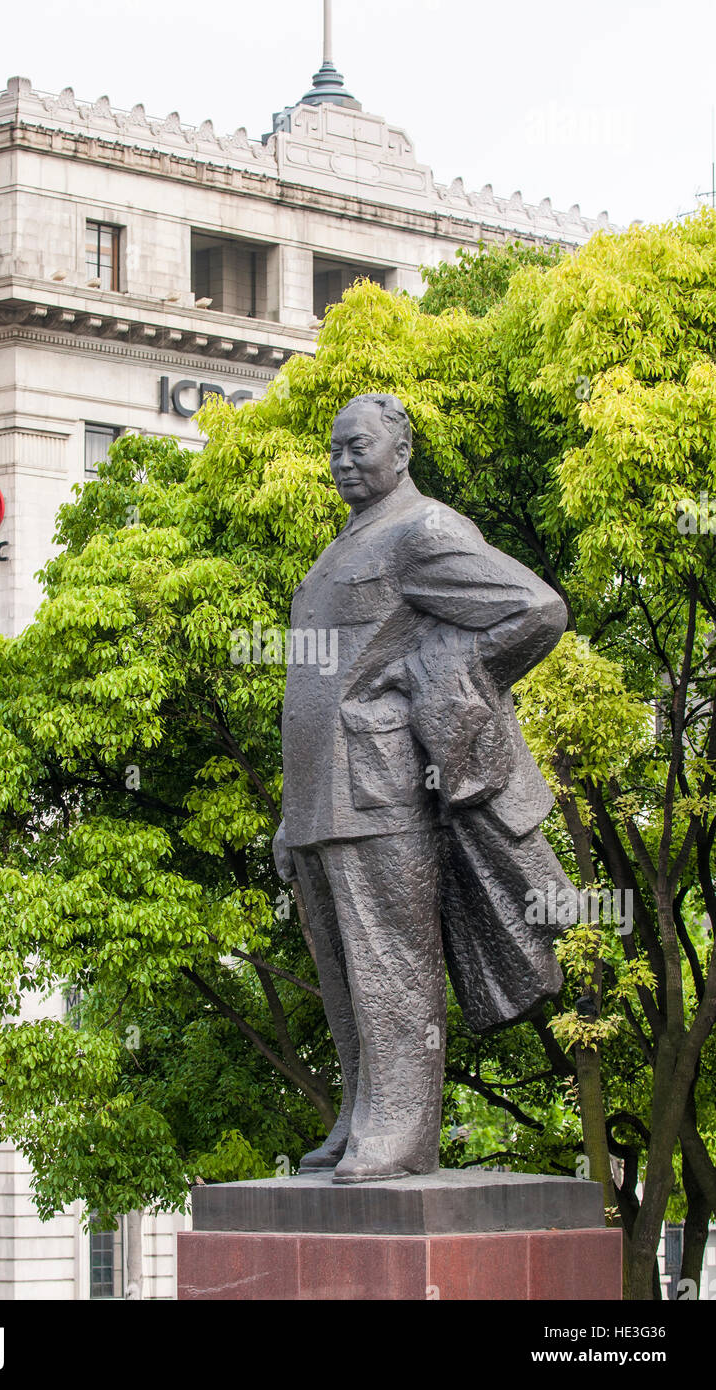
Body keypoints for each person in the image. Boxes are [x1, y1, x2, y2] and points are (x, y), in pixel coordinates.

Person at [273, 393, 574, 1183]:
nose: (342, 461)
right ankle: (359, 1112)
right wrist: (286, 812)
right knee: (340, 971)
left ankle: (400, 1128)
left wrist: (440, 675)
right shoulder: (342, 544)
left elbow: (534, 608)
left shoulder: (423, 530)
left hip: (381, 787)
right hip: (315, 795)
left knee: (391, 963)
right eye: (333, 448)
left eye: (358, 446)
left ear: (401, 451)